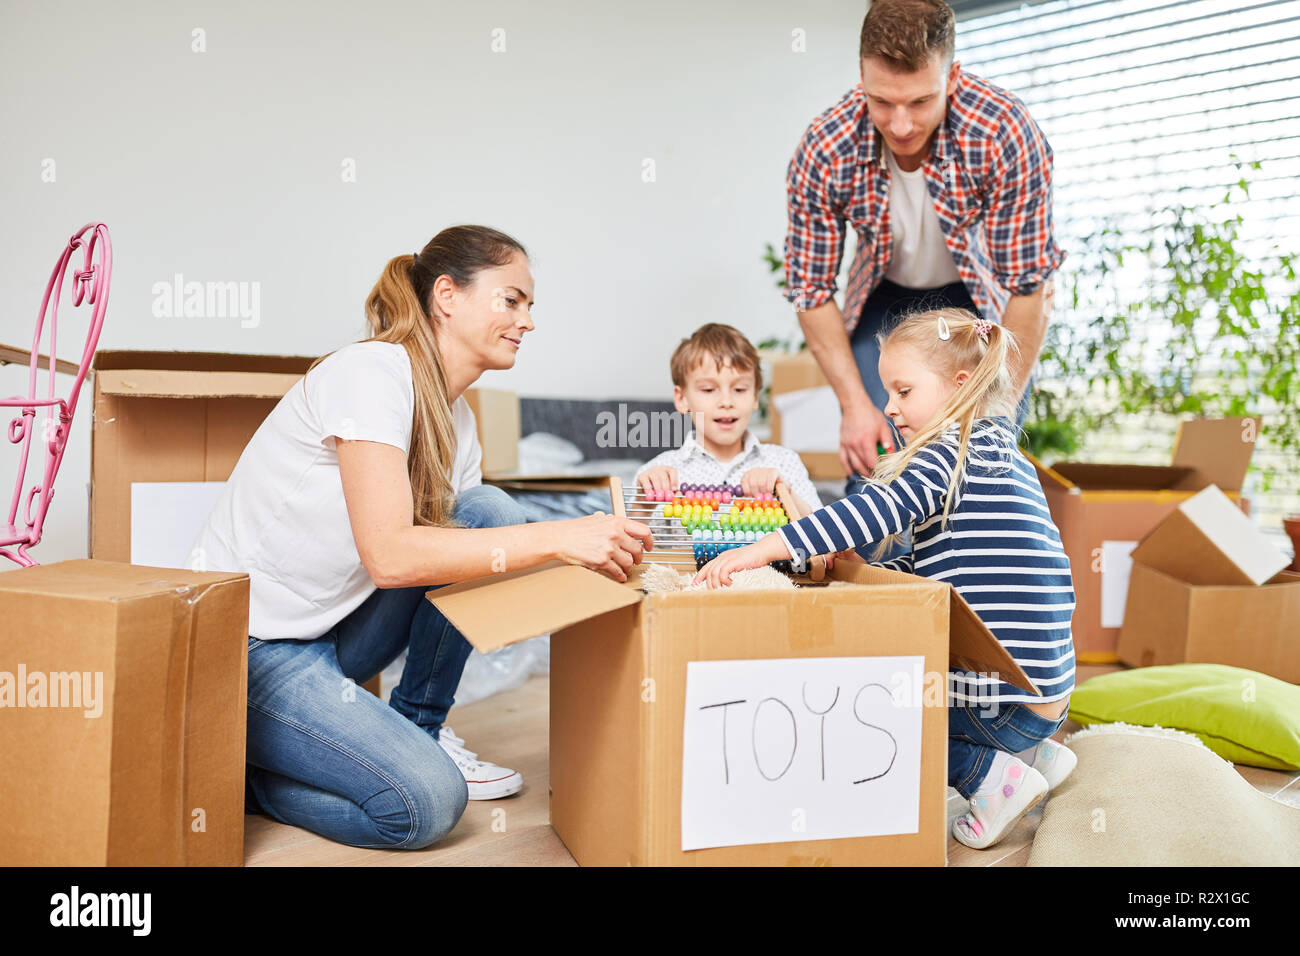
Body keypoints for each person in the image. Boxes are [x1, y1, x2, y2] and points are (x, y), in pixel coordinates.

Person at [189, 225, 652, 851]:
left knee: (488, 510)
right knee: (426, 805)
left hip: (337, 634)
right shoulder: (371, 373)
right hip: (251, 647)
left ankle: (419, 725)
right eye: (511, 299)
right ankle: (248, 781)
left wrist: (590, 563)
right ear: (447, 295)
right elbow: (389, 555)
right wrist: (562, 536)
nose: (528, 321)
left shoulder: (457, 420)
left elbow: (477, 553)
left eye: (530, 306)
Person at [692, 307, 1077, 850]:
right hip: (1049, 696)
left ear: (958, 387)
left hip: (1005, 704)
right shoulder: (1005, 458)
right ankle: (1036, 752)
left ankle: (993, 779)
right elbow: (940, 569)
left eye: (902, 391)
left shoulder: (942, 458)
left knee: (875, 709)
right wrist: (866, 571)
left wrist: (759, 551)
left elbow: (861, 514)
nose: (890, 409)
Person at [784, 0, 1064, 496]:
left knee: (982, 453)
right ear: (861, 76)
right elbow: (811, 290)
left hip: (978, 301)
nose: (900, 125)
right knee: (879, 455)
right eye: (882, 102)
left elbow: (1031, 286)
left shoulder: (1003, 132)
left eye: (919, 102)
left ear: (952, 77)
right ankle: (880, 574)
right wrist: (854, 406)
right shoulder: (826, 147)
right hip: (885, 296)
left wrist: (998, 416)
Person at [634, 323, 821, 513]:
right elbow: (631, 540)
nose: (726, 401)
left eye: (739, 389)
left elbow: (826, 536)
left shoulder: (783, 463)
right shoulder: (657, 473)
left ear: (755, 397)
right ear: (682, 399)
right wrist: (643, 504)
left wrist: (784, 492)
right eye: (708, 390)